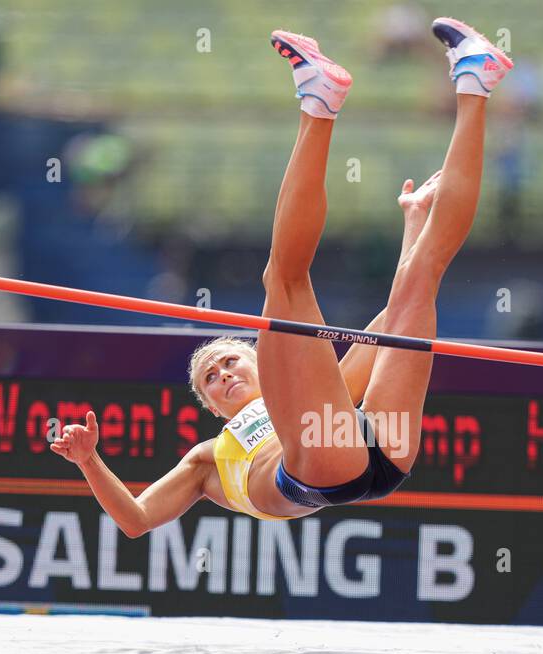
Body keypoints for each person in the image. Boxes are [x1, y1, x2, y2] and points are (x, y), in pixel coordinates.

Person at [50, 20, 511, 534]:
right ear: (211, 407)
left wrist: (413, 220)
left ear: (261, 360)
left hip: (352, 443)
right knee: (285, 282)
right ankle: (319, 102)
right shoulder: (207, 459)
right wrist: (89, 461)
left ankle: (475, 81)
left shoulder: (308, 392)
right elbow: (135, 521)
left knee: (422, 276)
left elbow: (391, 317)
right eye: (211, 380)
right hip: (329, 466)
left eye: (227, 362)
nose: (223, 374)